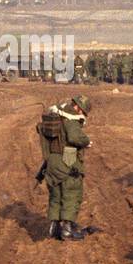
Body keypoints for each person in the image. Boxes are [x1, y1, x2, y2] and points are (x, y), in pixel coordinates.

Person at [37, 95, 92, 241]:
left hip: (52, 158)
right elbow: (74, 138)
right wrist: (87, 141)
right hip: (67, 156)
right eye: (83, 112)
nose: (82, 115)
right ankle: (67, 229)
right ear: (78, 108)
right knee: (72, 192)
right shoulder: (71, 119)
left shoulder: (55, 116)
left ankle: (54, 227)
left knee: (56, 194)